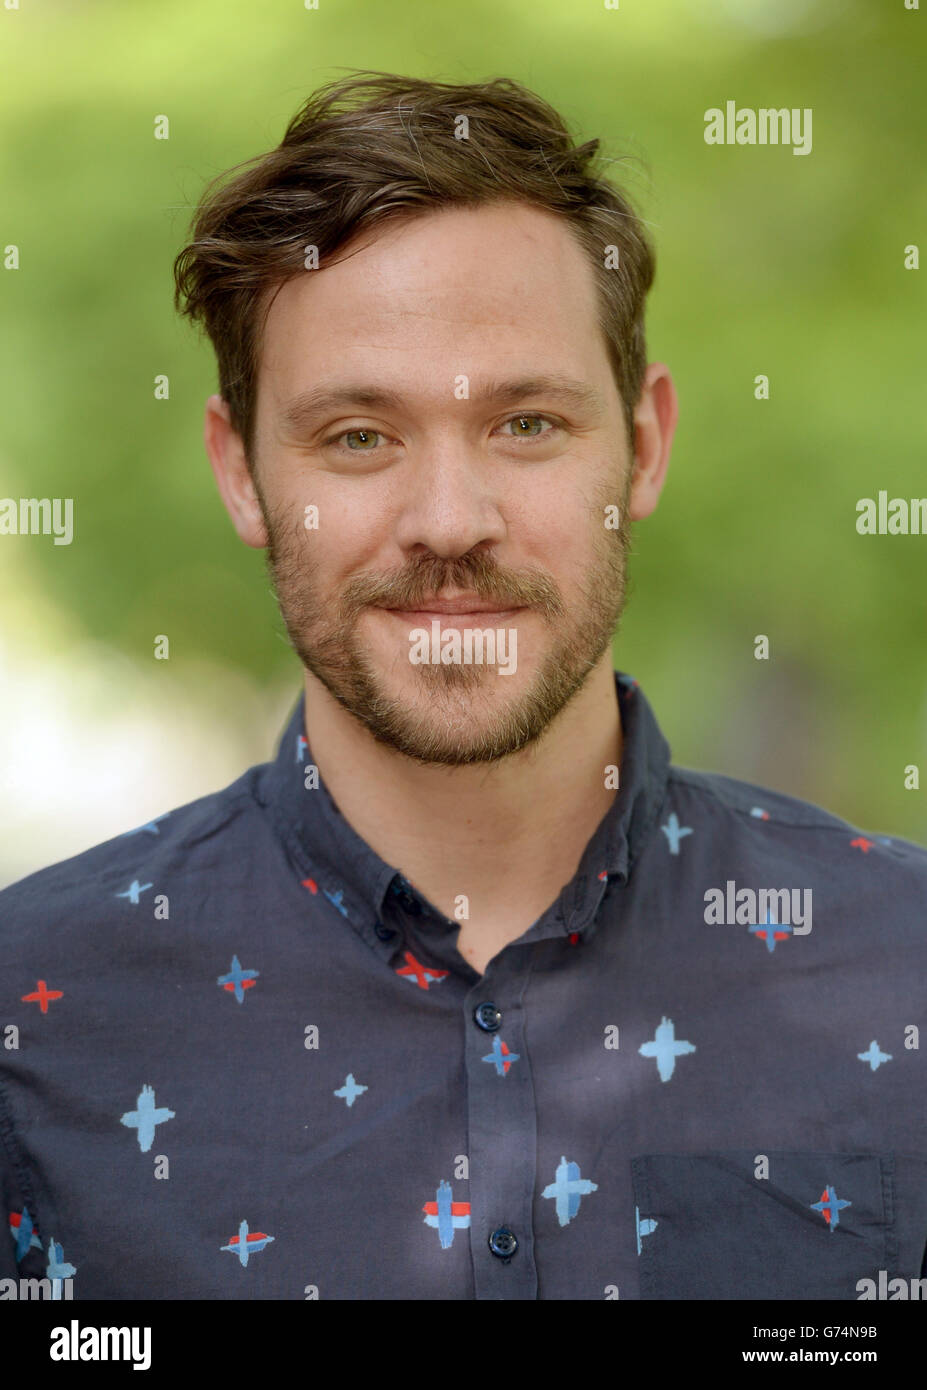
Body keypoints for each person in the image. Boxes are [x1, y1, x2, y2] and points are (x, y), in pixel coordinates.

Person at [2, 70, 925, 1303]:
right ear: (240, 473)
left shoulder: (900, 966)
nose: (450, 522)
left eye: (527, 423)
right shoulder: (34, 1018)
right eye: (358, 437)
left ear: (643, 446)